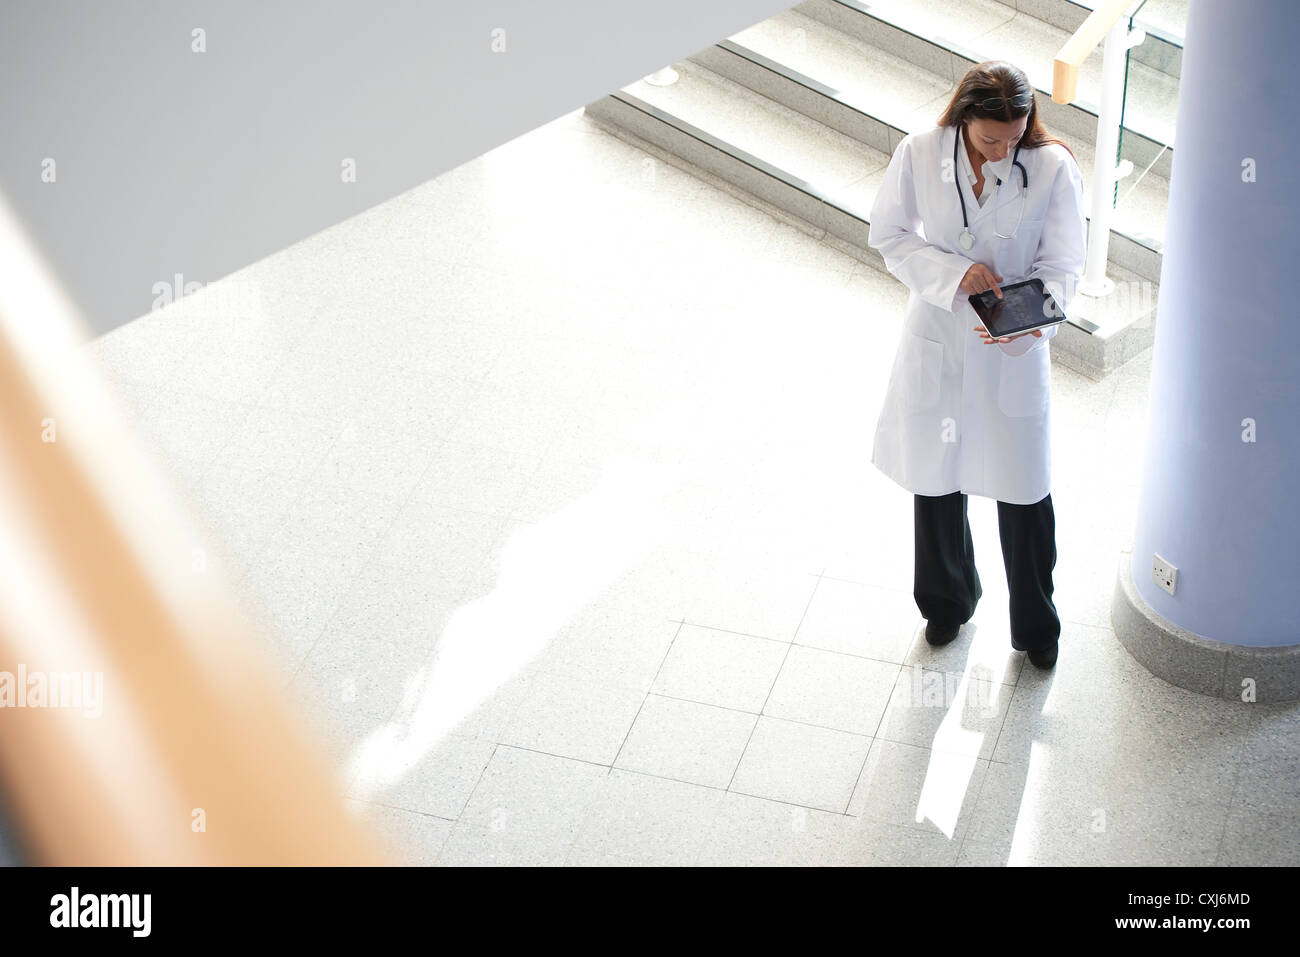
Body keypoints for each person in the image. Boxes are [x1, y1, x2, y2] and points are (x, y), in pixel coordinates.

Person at [867, 61, 1087, 670]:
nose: (1002, 150)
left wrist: (1024, 322)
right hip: (938, 335)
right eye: (991, 139)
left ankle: (1037, 624)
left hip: (1012, 348)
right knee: (936, 482)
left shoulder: (1051, 167)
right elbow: (889, 235)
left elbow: (1066, 267)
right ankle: (945, 605)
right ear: (965, 119)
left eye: (1014, 138)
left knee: (1023, 494)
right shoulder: (919, 153)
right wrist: (951, 275)